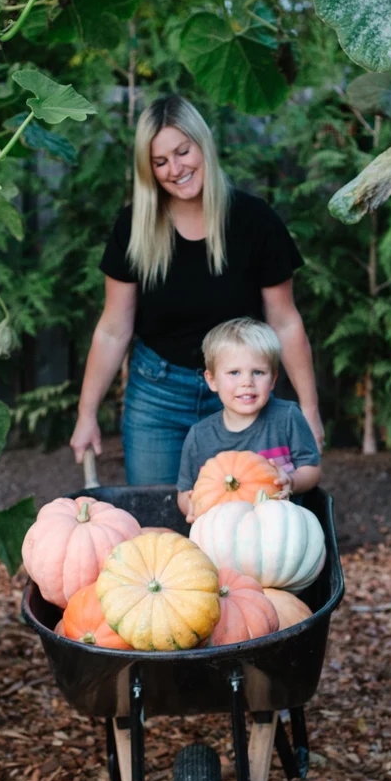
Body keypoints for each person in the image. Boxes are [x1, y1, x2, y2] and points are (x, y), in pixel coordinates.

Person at [69, 93, 323, 485]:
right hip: (158, 397)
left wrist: (309, 409)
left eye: (183, 151)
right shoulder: (133, 228)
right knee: (160, 529)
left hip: (243, 393)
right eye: (160, 162)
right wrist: (87, 414)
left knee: (244, 523)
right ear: (149, 170)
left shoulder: (255, 222)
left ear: (203, 145)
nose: (175, 168)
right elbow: (113, 329)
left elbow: (285, 323)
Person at [176, 319, 321, 521]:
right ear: (212, 380)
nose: (247, 382)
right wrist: (190, 506)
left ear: (273, 379)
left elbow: (312, 469)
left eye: (258, 372)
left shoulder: (286, 417)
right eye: (234, 372)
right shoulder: (200, 437)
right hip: (222, 537)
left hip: (283, 526)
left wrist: (292, 482)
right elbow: (185, 491)